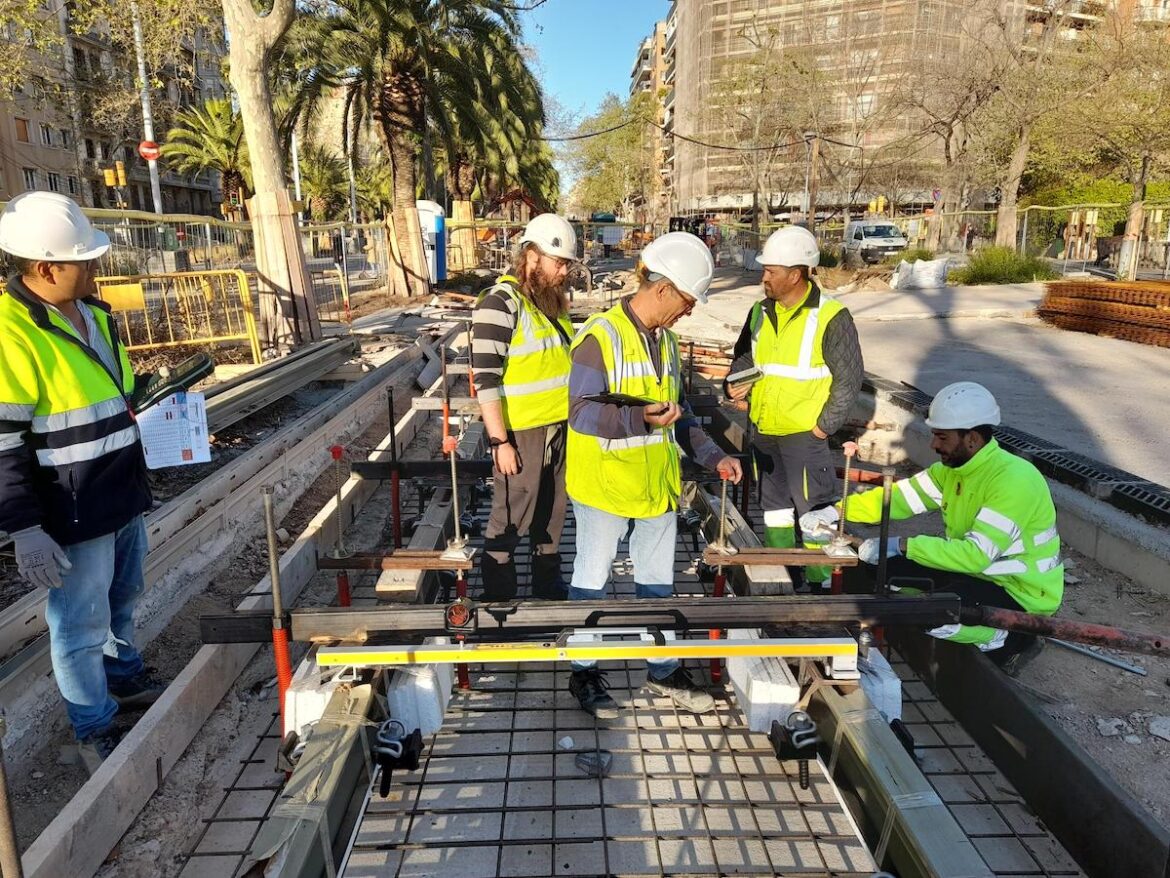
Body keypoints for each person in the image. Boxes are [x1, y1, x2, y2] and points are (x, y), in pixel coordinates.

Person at [0, 192, 165, 772]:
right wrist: (24, 528)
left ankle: (123, 676)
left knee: (123, 595)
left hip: (118, 490)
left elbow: (110, 397)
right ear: (46, 267)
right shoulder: (10, 335)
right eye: (84, 260)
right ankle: (92, 727)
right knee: (78, 623)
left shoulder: (93, 314)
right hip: (70, 508)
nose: (95, 267)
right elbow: (2, 444)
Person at [565, 232, 743, 717]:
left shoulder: (667, 342)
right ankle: (583, 671)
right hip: (604, 486)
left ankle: (662, 669)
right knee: (591, 580)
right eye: (686, 301)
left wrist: (713, 456)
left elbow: (680, 414)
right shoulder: (600, 338)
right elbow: (580, 413)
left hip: (656, 488)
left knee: (658, 585)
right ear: (663, 289)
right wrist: (639, 418)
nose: (688, 311)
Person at [801, 382, 1062, 674]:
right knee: (881, 568)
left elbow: (975, 555)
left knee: (932, 614)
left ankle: (1013, 639)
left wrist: (903, 545)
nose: (933, 445)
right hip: (975, 573)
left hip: (1019, 593)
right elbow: (897, 499)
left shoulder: (1013, 481)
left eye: (942, 437)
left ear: (972, 439)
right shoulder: (952, 471)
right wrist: (837, 511)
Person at [725, 225, 863, 589]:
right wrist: (734, 383)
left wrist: (822, 428)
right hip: (765, 431)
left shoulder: (831, 317)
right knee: (775, 510)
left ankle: (819, 582)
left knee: (815, 511)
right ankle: (782, 573)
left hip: (805, 435)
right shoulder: (759, 311)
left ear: (796, 274)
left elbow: (849, 380)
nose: (764, 278)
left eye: (771, 271)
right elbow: (745, 358)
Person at [471, 214, 577, 601]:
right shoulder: (500, 304)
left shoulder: (549, 305)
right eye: (558, 263)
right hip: (521, 434)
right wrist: (500, 441)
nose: (564, 272)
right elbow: (485, 379)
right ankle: (499, 598)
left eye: (566, 265)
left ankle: (547, 586)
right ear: (532, 256)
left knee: (552, 509)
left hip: (558, 429)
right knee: (512, 512)